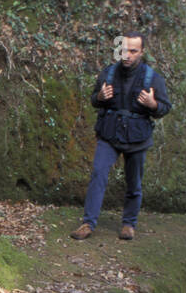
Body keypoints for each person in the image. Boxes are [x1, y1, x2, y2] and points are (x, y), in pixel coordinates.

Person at [71, 32, 171, 241]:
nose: (127, 55)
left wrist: (152, 105)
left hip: (137, 137)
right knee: (98, 174)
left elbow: (164, 108)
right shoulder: (108, 73)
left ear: (141, 52)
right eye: (124, 50)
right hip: (109, 134)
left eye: (133, 51)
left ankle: (128, 224)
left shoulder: (153, 78)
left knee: (134, 182)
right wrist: (99, 97)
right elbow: (93, 99)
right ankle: (88, 223)